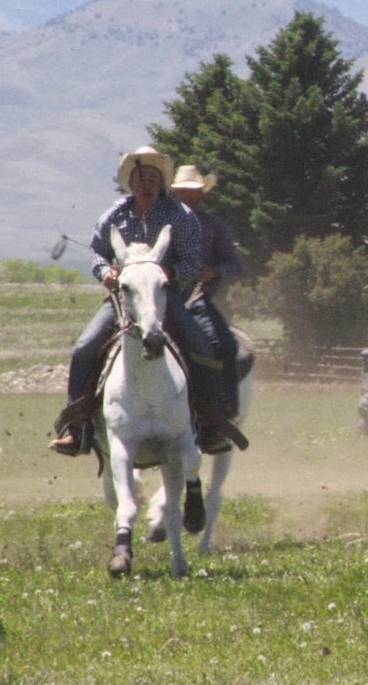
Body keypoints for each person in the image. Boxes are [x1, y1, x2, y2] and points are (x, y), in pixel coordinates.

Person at [49, 146, 234, 456]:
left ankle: (209, 424)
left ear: (161, 182)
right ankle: (77, 426)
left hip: (166, 298)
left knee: (202, 348)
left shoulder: (181, 216)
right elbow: (97, 252)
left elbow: (192, 261)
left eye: (152, 178)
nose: (146, 184)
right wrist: (104, 271)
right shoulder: (114, 215)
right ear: (130, 183)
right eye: (140, 178)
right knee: (84, 348)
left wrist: (169, 271)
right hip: (123, 300)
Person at [170, 164, 244, 421]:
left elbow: (234, 264)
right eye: (183, 191)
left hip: (198, 300)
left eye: (193, 191)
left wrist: (214, 271)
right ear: (176, 192)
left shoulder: (215, 226)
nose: (187, 196)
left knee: (225, 345)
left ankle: (225, 410)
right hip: (160, 296)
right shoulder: (160, 223)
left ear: (201, 194)